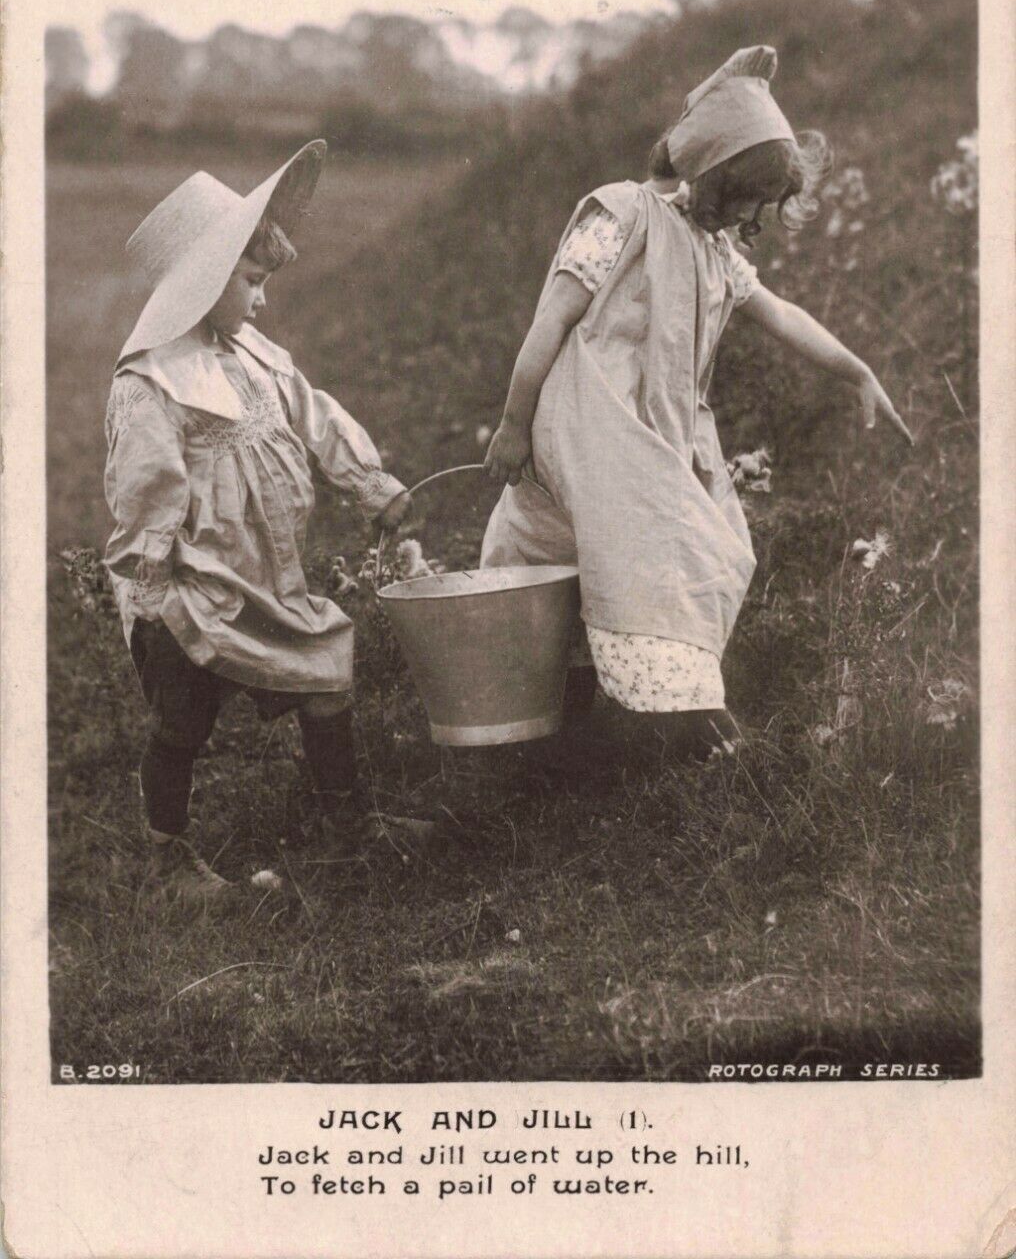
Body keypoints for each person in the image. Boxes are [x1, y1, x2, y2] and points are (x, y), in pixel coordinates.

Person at [481, 46, 912, 761]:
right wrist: (511, 424)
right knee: (659, 558)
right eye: (750, 199)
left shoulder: (714, 250)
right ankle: (698, 726)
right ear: (716, 178)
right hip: (588, 425)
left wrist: (856, 370)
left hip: (649, 436)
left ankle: (572, 740)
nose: (755, 217)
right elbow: (549, 322)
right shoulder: (623, 215)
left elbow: (780, 313)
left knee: (633, 555)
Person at [104, 140, 410, 898]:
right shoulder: (153, 383)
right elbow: (144, 494)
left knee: (326, 669)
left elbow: (317, 416)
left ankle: (345, 824)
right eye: (251, 280)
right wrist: (149, 592)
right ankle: (165, 858)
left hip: (270, 576)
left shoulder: (256, 354)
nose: (262, 298)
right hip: (195, 586)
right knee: (182, 720)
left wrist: (374, 486)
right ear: (204, 282)